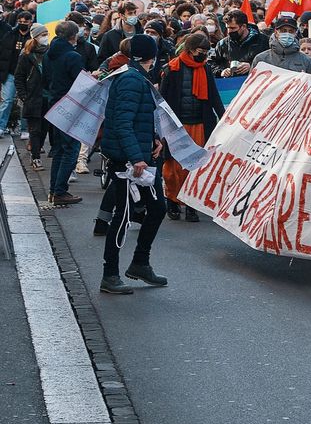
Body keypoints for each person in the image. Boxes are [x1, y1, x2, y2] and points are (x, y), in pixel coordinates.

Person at [97, 34, 168, 295]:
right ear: (150, 56)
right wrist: (136, 157)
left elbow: (138, 118)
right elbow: (122, 122)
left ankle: (140, 262)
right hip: (129, 161)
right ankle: (110, 274)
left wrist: (153, 138)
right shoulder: (130, 79)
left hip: (141, 156)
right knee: (123, 216)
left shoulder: (135, 76)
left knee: (158, 207)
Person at [159, 32, 225, 223]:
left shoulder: (206, 69)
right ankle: (171, 199)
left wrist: (223, 117)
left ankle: (190, 204)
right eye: (200, 50)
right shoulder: (172, 68)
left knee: (194, 167)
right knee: (173, 168)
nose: (203, 54)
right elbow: (163, 99)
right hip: (177, 126)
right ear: (190, 49)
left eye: (206, 51)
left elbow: (213, 96)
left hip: (200, 123)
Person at [44, 21, 85, 206]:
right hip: (69, 104)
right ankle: (60, 191)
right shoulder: (72, 56)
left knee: (60, 149)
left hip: (54, 102)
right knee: (71, 149)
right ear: (73, 35)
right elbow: (80, 83)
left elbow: (46, 79)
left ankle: (54, 190)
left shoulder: (48, 54)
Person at [13, 25, 50, 171]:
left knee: (44, 129)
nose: (46, 36)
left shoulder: (49, 53)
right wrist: (24, 96)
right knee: (35, 129)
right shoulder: (26, 55)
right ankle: (36, 157)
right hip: (33, 97)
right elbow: (19, 77)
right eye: (43, 34)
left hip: (48, 97)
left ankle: (37, 149)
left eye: (47, 33)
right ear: (35, 36)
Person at [212, 10, 268, 77]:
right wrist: (221, 71)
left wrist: (252, 65)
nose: (229, 31)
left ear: (244, 26)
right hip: (231, 84)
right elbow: (211, 63)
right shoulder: (222, 44)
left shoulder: (263, 40)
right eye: (228, 28)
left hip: (256, 82)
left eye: (233, 28)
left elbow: (271, 61)